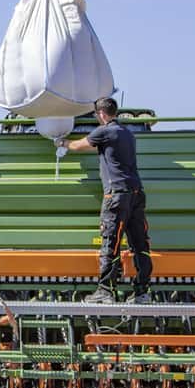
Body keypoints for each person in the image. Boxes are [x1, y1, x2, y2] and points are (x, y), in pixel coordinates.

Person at [64, 97, 152, 302]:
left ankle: (105, 291)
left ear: (102, 113)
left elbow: (78, 146)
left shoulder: (104, 131)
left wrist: (62, 142)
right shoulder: (127, 134)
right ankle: (142, 291)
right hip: (136, 193)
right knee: (140, 244)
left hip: (117, 195)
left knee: (110, 243)